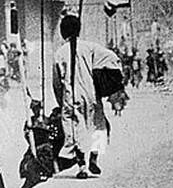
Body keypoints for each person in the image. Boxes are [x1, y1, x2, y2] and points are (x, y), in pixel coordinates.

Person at [52, 12, 123, 178]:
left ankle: (82, 166)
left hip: (71, 97)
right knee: (99, 126)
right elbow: (112, 58)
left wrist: (60, 101)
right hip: (91, 96)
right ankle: (94, 157)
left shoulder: (60, 53)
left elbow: (56, 83)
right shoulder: (91, 47)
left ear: (63, 32)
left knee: (76, 131)